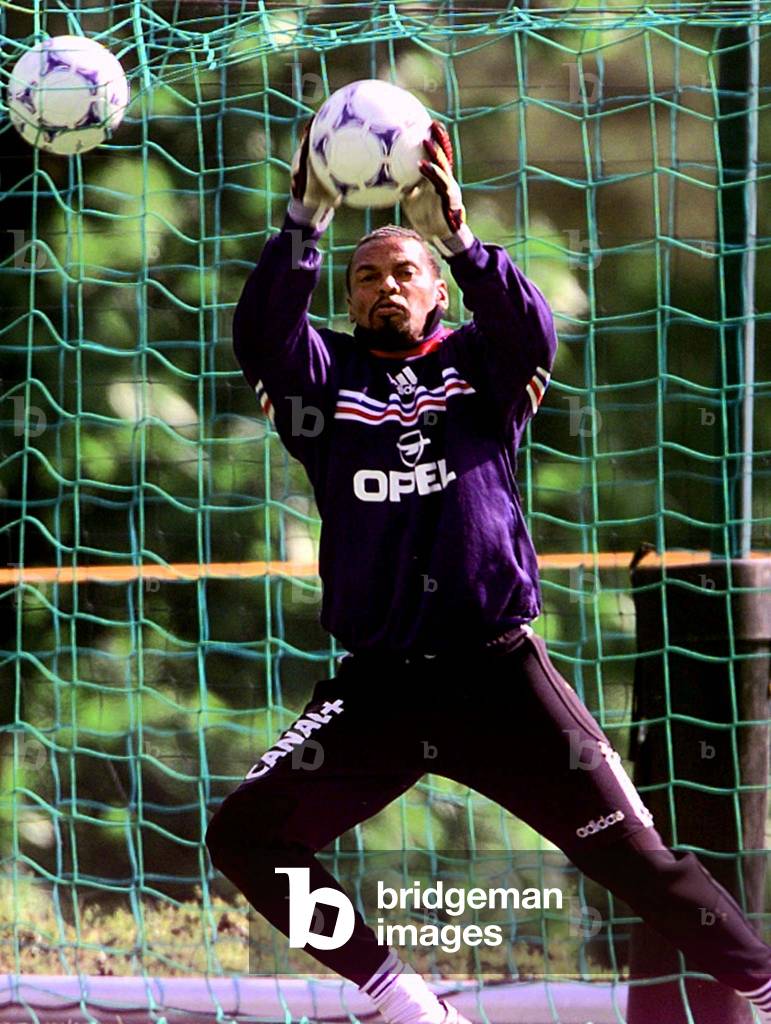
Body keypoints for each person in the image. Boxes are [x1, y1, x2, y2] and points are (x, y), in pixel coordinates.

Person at [206, 120, 771, 1024]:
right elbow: (262, 334)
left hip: (500, 678)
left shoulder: (479, 366)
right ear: (346, 302)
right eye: (366, 277)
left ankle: (762, 986)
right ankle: (398, 996)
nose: (386, 285)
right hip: (381, 689)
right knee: (245, 835)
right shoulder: (323, 383)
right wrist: (305, 221)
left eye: (404, 271)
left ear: (436, 291)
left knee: (638, 864)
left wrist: (463, 242)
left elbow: (530, 330)